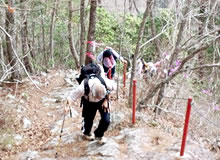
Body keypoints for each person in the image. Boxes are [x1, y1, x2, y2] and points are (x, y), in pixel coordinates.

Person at [66, 64, 116, 144]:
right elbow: (71, 97)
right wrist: (68, 106)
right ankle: (87, 133)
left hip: (103, 101)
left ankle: (99, 134)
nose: (98, 98)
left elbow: (113, 88)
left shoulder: (105, 82)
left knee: (106, 120)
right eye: (97, 97)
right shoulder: (83, 86)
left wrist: (106, 100)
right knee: (88, 119)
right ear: (92, 92)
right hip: (89, 102)